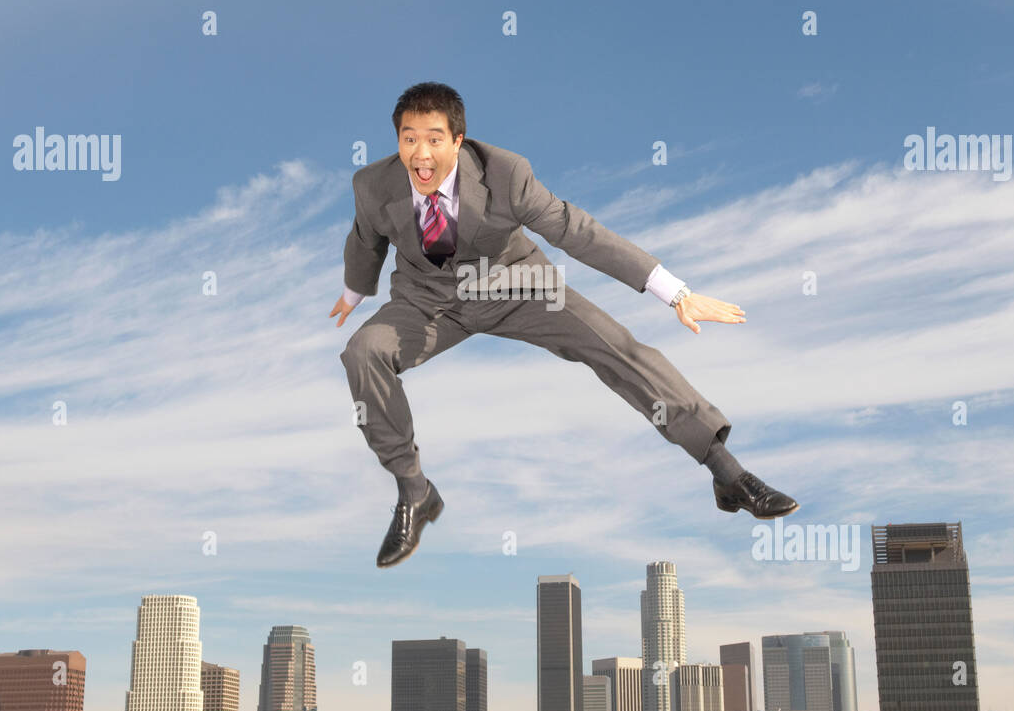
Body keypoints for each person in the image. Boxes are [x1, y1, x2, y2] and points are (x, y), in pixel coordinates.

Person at [331, 82, 799, 568]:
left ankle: (727, 472)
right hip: (428, 302)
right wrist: (353, 293)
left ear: (459, 140)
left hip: (514, 287)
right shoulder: (373, 185)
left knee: (619, 348)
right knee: (362, 350)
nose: (421, 155)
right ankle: (414, 491)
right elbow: (366, 241)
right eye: (409, 139)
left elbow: (577, 231)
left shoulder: (506, 175)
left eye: (433, 139)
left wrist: (675, 292)